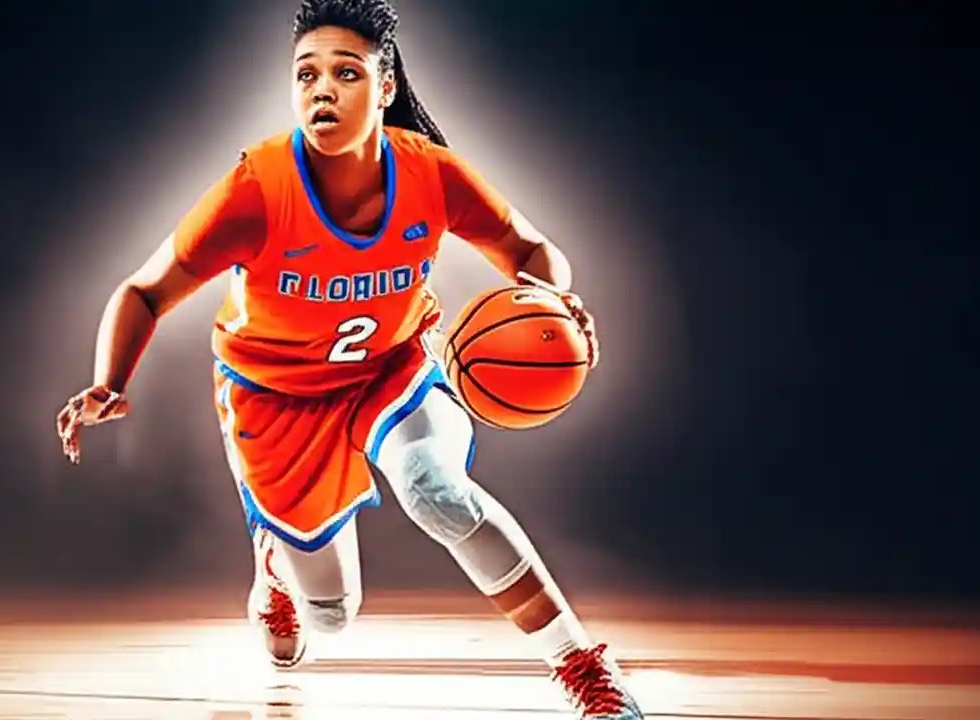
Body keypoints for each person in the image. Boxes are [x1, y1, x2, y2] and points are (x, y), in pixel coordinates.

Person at [55, 1, 643, 717]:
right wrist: (106, 384)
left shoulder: (432, 175)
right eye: (306, 74)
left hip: (390, 369)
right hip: (276, 399)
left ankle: (581, 667)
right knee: (331, 615)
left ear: (385, 87)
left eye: (345, 71)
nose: (322, 89)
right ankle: (277, 565)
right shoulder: (258, 190)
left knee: (436, 491)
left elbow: (529, 252)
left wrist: (554, 300)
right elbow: (144, 292)